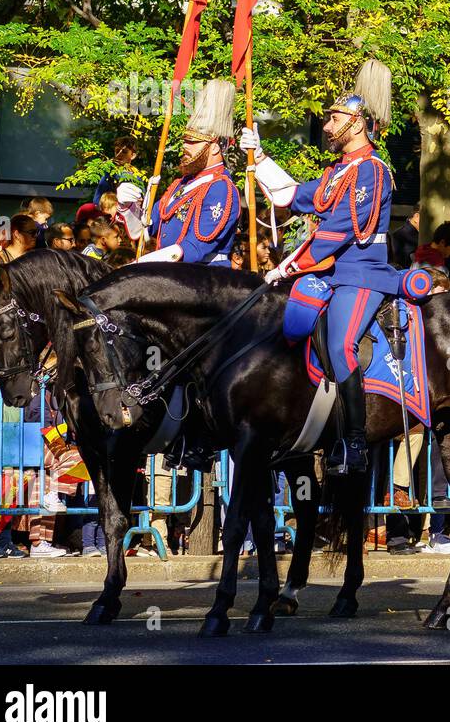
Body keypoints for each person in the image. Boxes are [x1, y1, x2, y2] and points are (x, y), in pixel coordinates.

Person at [241, 59, 399, 475]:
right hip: (330, 273)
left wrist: (287, 267)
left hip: (361, 273)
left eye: (335, 119)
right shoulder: (337, 171)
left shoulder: (371, 171)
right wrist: (258, 153)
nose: (327, 126)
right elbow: (293, 194)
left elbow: (337, 232)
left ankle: (354, 442)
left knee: (340, 344)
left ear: (358, 123)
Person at [115, 80, 239, 265]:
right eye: (185, 140)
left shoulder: (221, 188)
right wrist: (127, 206)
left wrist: (144, 264)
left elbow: (194, 248)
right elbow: (144, 232)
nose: (184, 146)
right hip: (173, 276)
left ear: (214, 148)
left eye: (192, 142)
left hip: (205, 278)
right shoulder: (181, 184)